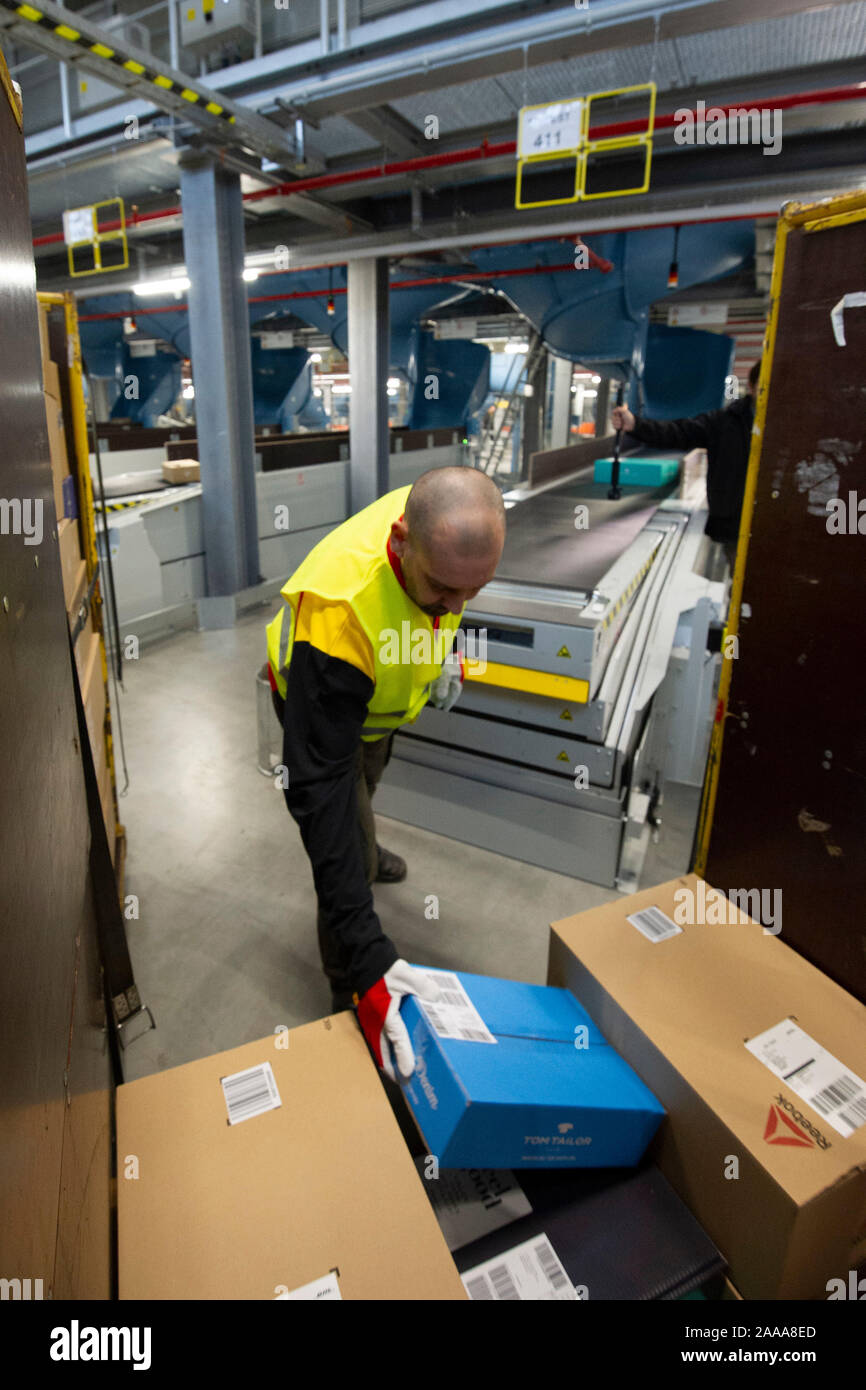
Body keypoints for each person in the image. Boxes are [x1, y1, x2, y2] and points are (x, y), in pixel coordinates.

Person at [265, 466, 506, 1082]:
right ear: (401, 541)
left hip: (376, 712)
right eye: (443, 590)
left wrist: (443, 647)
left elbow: (442, 597)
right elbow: (316, 793)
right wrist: (371, 954)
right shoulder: (341, 618)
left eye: (472, 593)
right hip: (321, 710)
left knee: (364, 793)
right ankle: (347, 987)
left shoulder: (442, 524)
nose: (456, 607)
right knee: (344, 833)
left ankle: (368, 845)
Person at [611, 358, 761, 572]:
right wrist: (635, 424)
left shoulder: (791, 427)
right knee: (743, 584)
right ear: (753, 387)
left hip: (774, 527)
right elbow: (678, 432)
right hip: (733, 527)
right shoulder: (726, 422)